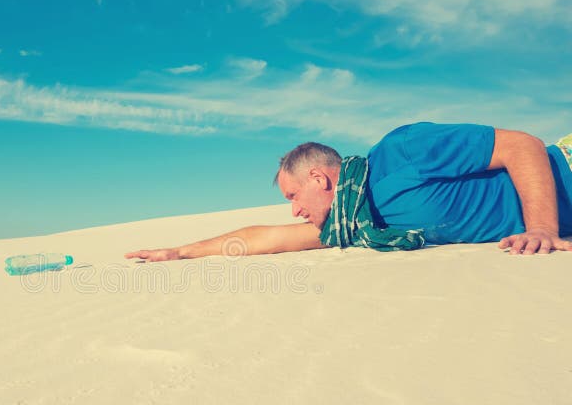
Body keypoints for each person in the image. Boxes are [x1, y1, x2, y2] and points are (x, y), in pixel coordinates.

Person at [125, 122, 572, 260]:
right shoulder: (356, 224)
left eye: (293, 197)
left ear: (320, 180)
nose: (295, 212)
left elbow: (523, 146)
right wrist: (180, 253)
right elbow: (266, 237)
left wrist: (542, 228)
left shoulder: (401, 153)